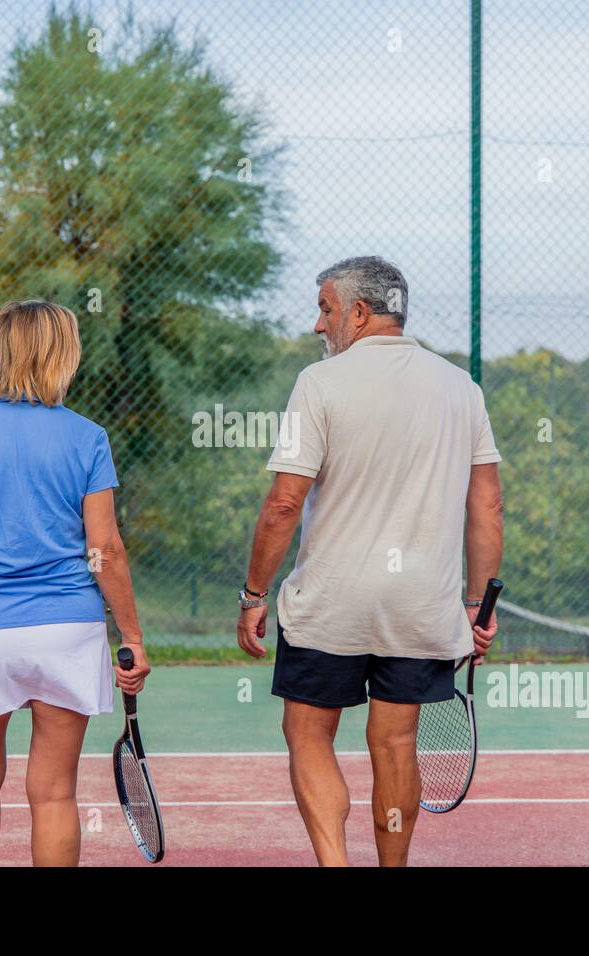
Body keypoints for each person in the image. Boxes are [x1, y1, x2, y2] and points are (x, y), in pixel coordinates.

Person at [237, 256, 504, 866]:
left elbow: (283, 504)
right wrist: (476, 606)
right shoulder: (461, 389)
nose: (317, 324)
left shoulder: (320, 383)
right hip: (421, 603)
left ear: (358, 313)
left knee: (307, 734)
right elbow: (488, 507)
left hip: (333, 600)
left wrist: (254, 595)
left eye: (325, 308)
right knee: (395, 744)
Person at [0, 299, 149, 867]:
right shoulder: (88, 437)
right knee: (54, 791)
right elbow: (105, 549)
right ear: (60, 357)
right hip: (67, 632)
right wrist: (132, 634)